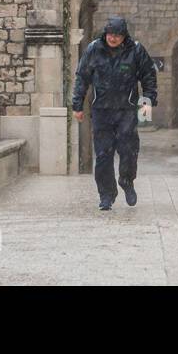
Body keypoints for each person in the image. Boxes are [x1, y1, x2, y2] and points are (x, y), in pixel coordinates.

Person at [71, 16, 158, 211]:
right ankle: (106, 195)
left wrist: (148, 101)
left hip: (126, 110)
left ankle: (127, 181)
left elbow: (148, 76)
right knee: (103, 155)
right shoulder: (94, 49)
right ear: (106, 33)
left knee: (128, 150)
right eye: (110, 34)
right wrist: (77, 105)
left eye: (117, 35)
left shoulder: (135, 50)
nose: (113, 39)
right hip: (101, 110)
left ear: (124, 36)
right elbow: (82, 77)